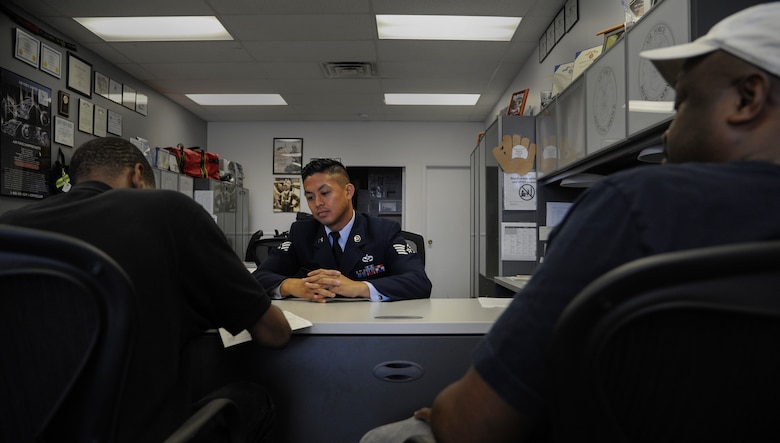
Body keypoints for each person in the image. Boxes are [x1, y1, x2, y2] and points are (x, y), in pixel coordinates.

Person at [360, 3, 780, 442]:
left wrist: (446, 410)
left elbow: (474, 423)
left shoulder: (636, 205)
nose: (671, 130)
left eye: (685, 101)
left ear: (747, 98)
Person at [0, 137, 292, 442]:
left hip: (29, 430)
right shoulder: (168, 210)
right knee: (255, 399)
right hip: (141, 433)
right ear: (138, 175)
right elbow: (274, 334)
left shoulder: (12, 226)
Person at [254, 158, 431, 302]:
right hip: (317, 326)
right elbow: (259, 277)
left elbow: (419, 281)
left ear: (348, 191)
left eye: (325, 193)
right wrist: (292, 286)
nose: (317, 203)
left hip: (371, 327)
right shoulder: (301, 232)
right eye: (310, 197)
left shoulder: (383, 231)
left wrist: (358, 288)